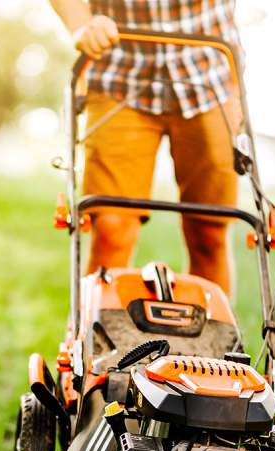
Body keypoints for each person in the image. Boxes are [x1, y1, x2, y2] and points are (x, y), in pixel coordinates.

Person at [48, 0, 242, 294]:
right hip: (119, 73)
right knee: (112, 226)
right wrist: (82, 25)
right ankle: (98, 323)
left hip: (208, 73)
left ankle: (211, 324)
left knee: (209, 232)